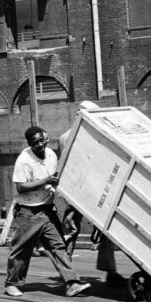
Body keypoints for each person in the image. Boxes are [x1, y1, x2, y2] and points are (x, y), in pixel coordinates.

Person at [4, 126, 91, 298]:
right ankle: (11, 283)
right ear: (30, 144)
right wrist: (45, 181)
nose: (40, 145)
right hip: (29, 212)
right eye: (36, 143)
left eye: (43, 140)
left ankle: (71, 282)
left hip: (47, 209)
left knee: (58, 246)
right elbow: (21, 187)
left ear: (47, 139)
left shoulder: (51, 154)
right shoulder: (24, 160)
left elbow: (57, 176)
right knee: (21, 249)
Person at [58, 101, 126, 287]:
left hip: (98, 189)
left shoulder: (101, 135)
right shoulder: (67, 138)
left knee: (106, 230)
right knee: (70, 228)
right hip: (76, 191)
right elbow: (67, 168)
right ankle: (66, 272)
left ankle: (110, 271)